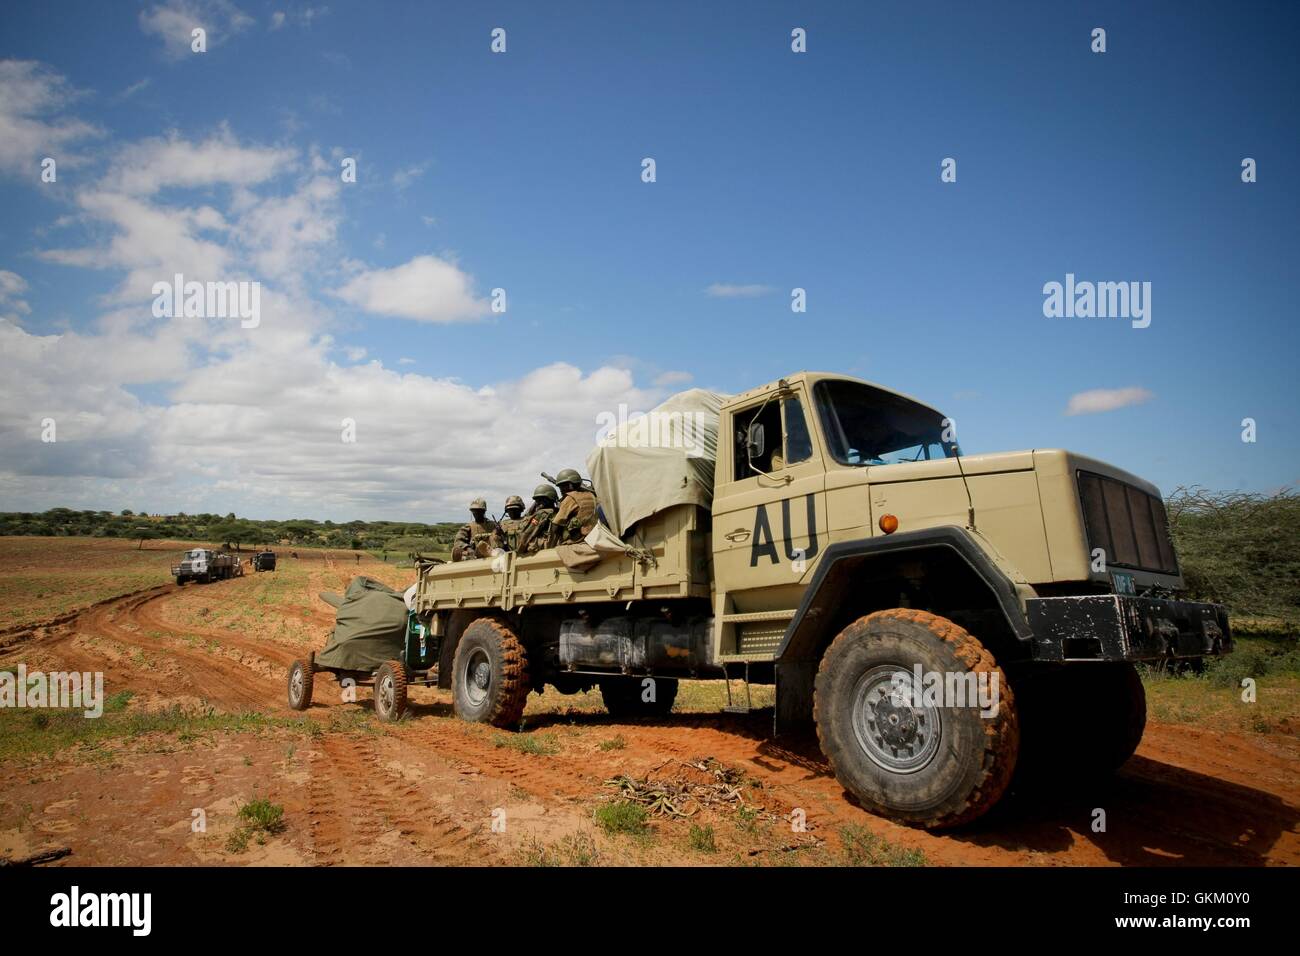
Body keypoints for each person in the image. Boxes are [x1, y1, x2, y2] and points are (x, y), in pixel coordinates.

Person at [546, 468, 600, 547]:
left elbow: (556, 526)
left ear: (571, 485)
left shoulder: (570, 498)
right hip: (595, 536)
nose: (560, 489)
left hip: (578, 540)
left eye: (563, 486)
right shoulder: (591, 495)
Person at [517, 484, 560, 554]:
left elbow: (527, 534)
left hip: (541, 553)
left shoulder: (541, 514)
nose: (537, 502)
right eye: (536, 500)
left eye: (540, 499)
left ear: (548, 499)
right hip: (556, 550)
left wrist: (519, 552)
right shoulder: (559, 511)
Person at [451, 497, 497, 562]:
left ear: (484, 511)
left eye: (478, 511)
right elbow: (458, 541)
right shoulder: (468, 527)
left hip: (493, 558)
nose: (476, 513)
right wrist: (468, 548)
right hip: (475, 560)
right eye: (474, 511)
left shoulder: (494, 525)